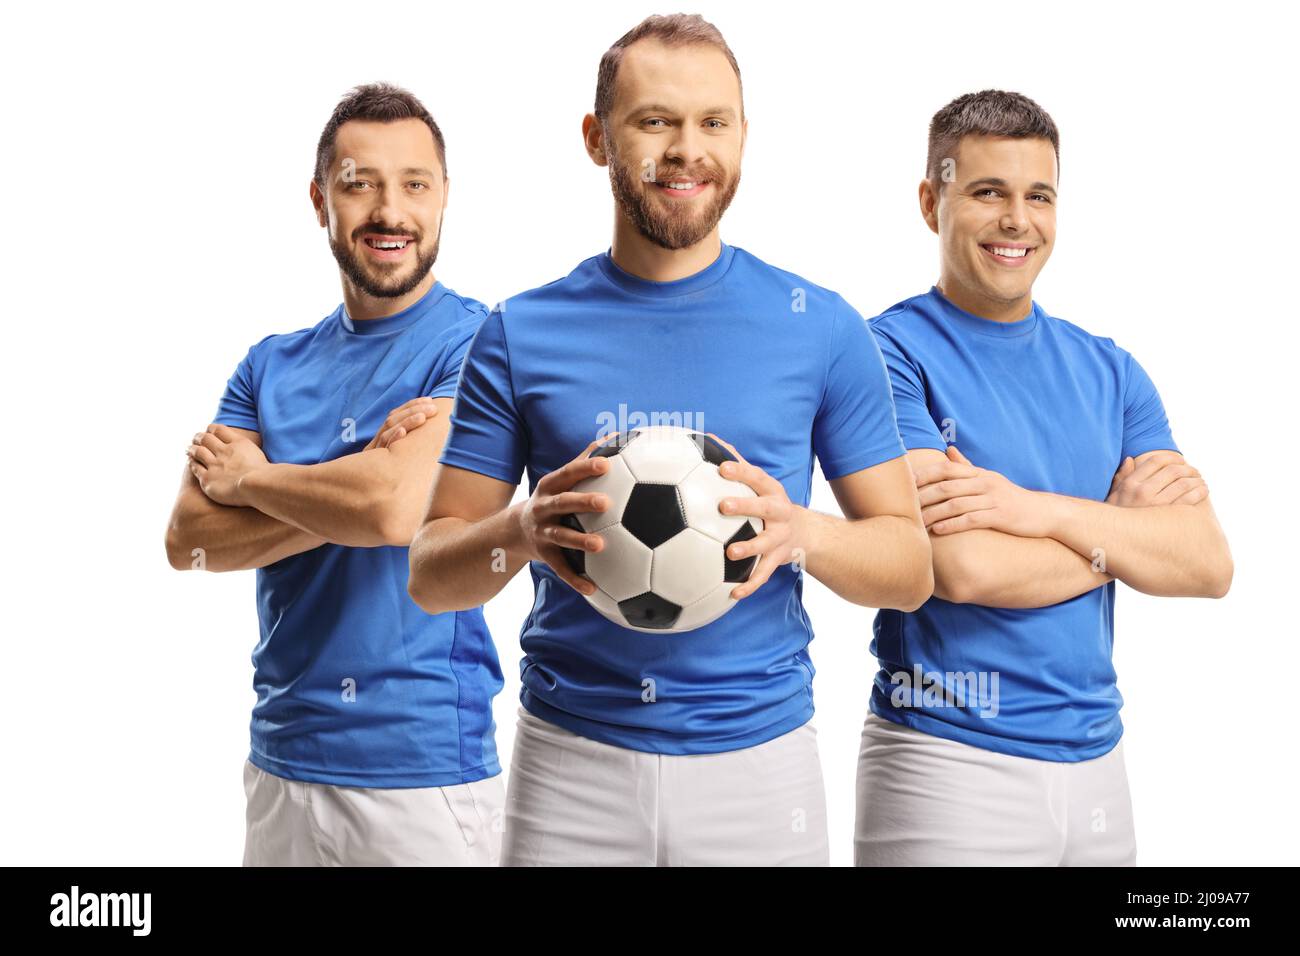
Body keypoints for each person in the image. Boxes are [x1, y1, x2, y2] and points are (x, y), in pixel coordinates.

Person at [408, 14, 932, 866]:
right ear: (597, 137)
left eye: (713, 123)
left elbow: (908, 570)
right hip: (569, 766)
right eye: (655, 121)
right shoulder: (521, 330)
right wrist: (520, 534)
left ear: (743, 137)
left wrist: (806, 534)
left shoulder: (820, 327)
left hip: (761, 770)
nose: (688, 149)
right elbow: (431, 575)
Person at [857, 89, 1233, 866]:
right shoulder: (886, 355)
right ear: (933, 202)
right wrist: (1119, 530)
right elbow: (959, 566)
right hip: (946, 765)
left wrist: (1026, 508)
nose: (1016, 220)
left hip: (1100, 761)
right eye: (988, 191)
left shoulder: (1111, 369)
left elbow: (1206, 564)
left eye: (1038, 196)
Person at [164, 82, 504, 866]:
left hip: (422, 778)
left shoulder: (480, 344)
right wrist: (358, 482)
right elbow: (190, 542)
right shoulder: (268, 364)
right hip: (280, 762)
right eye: (360, 184)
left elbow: (391, 510)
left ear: (444, 197)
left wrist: (252, 480)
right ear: (321, 201)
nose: (390, 211)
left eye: (414, 184)